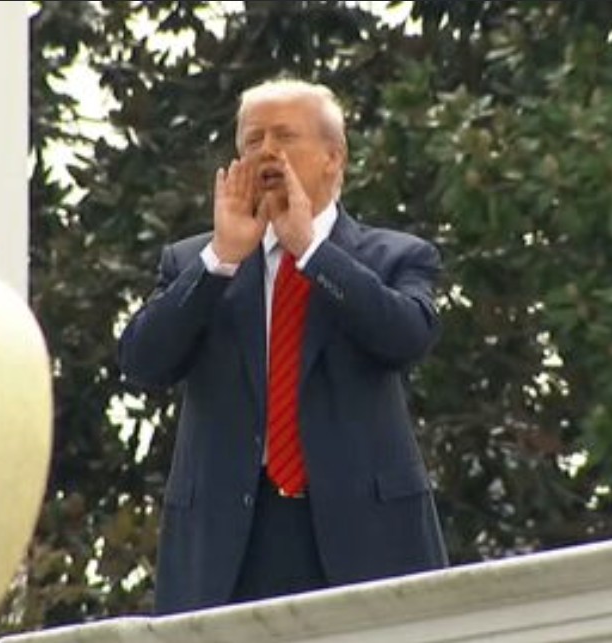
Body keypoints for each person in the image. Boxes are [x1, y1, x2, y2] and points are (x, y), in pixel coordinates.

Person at [118, 78, 448, 615]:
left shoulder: (395, 256)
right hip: (231, 545)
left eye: (285, 136)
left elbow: (406, 337)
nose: (267, 151)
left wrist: (311, 252)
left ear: (332, 159)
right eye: (253, 140)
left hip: (364, 538)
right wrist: (221, 260)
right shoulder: (194, 263)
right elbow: (142, 362)